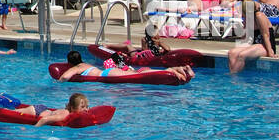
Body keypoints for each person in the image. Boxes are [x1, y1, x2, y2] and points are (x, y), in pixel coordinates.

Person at [54, 48, 193, 83]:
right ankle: (180, 70)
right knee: (139, 73)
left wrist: (58, 82)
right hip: (110, 71)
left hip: (108, 74)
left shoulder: (76, 68)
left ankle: (172, 70)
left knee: (139, 75)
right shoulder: (86, 64)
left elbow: (65, 77)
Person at [0, 92, 89, 126]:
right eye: (82, 107)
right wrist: (34, 129)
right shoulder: (65, 115)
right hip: (37, 112)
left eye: (87, 107)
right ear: (73, 108)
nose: (86, 109)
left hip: (41, 109)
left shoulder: (70, 112)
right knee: (10, 112)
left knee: (12, 111)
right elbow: (44, 120)